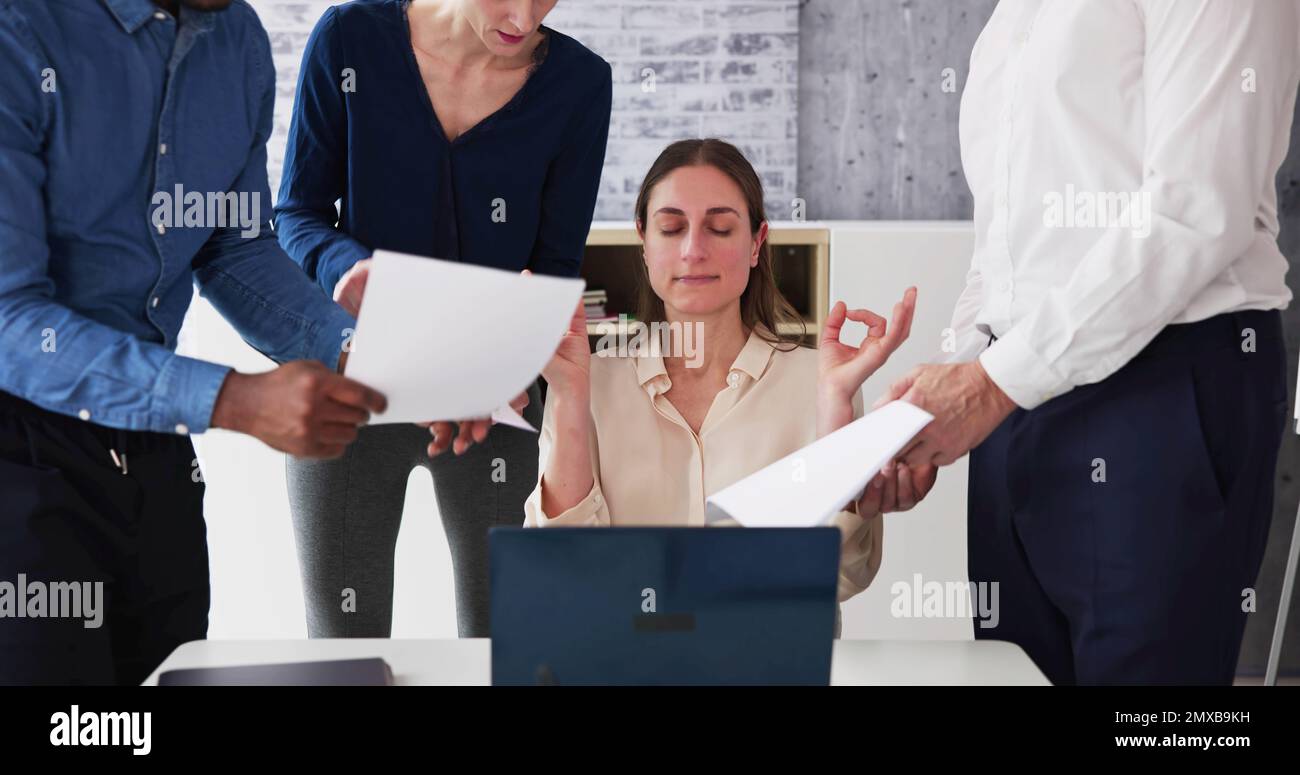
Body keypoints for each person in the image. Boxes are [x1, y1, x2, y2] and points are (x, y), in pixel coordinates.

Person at [879, 0, 1299, 684]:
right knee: (1015, 674)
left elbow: (1196, 209)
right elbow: (1006, 249)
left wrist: (987, 386)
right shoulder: (1014, 15)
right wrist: (947, 392)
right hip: (1015, 401)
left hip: (1163, 391)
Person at [0, 0, 390, 685]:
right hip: (20, 451)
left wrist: (372, 355)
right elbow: (8, 318)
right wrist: (230, 399)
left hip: (157, 452)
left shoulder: (236, 39)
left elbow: (234, 248)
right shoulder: (19, 28)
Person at [275, 0, 612, 638]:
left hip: (495, 401)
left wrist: (516, 347)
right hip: (352, 384)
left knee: (502, 639)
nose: (524, 14)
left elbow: (556, 260)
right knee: (344, 641)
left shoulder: (580, 84)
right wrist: (346, 268)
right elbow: (297, 212)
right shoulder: (348, 39)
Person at [525, 139, 935, 633]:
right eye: (672, 228)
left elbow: (839, 576)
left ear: (758, 242)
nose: (694, 250)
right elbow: (567, 571)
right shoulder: (592, 383)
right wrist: (568, 396)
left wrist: (834, 413)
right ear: (644, 241)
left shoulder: (819, 382)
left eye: (720, 228)